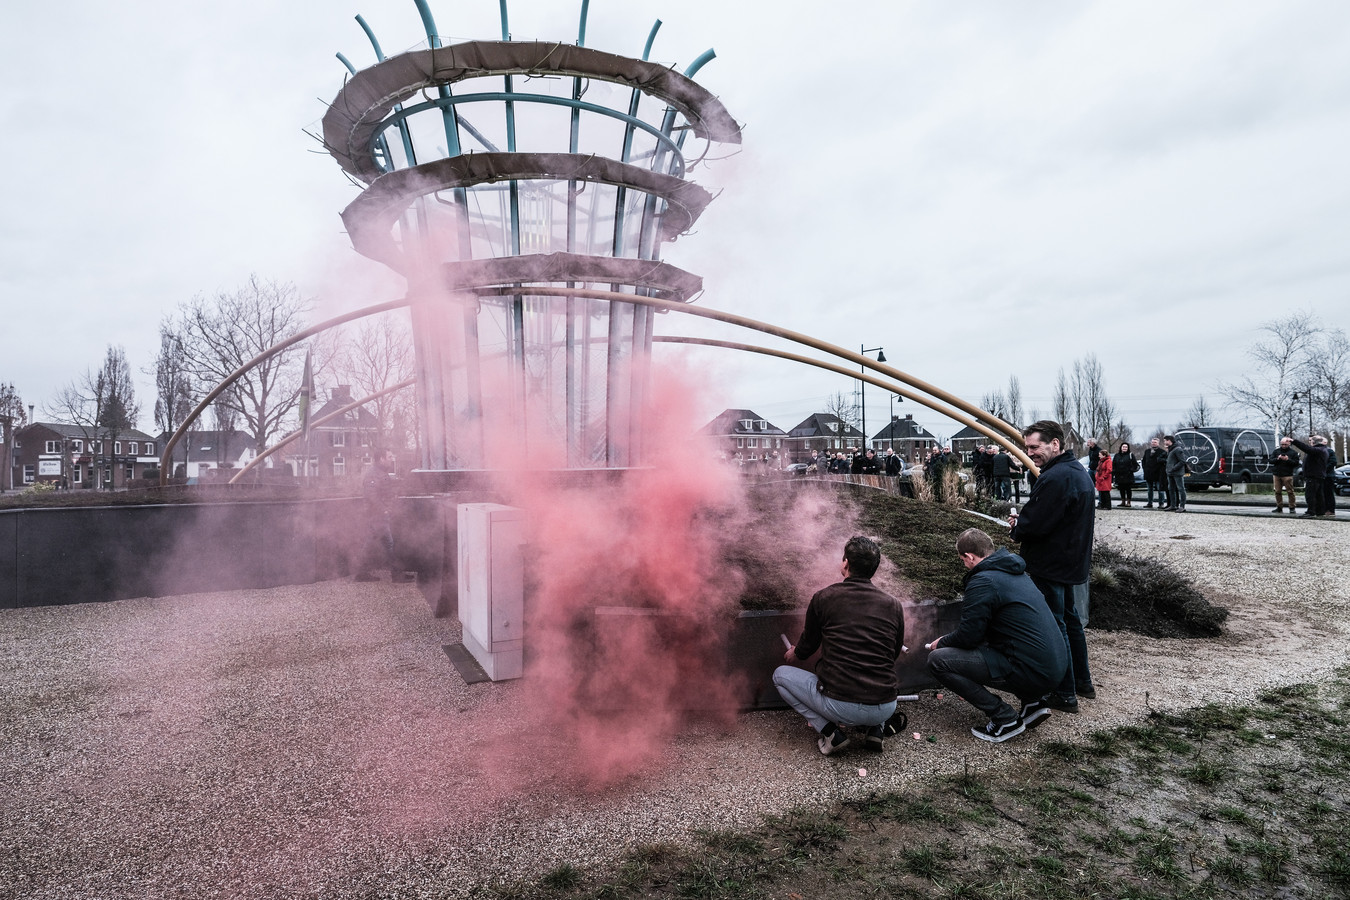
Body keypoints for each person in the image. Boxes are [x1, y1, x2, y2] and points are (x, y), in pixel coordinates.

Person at [926, 529, 1068, 742]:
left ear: (970, 557)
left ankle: (1004, 718)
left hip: (1032, 671)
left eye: (962, 560)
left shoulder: (983, 582)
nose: (964, 565)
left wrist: (941, 642)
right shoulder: (1016, 572)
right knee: (1006, 647)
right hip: (1054, 667)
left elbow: (968, 636)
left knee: (938, 661)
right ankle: (1033, 703)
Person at [774, 536, 905, 755]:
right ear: (874, 568)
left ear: (845, 563)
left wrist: (794, 653)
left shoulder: (824, 597)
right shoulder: (894, 605)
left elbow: (807, 647)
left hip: (841, 705)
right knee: (881, 674)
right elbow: (892, 653)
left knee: (780, 676)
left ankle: (830, 733)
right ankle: (876, 730)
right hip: (886, 706)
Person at [1008, 420, 1096, 714]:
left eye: (1034, 447)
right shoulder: (1076, 472)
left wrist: (1018, 526)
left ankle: (1065, 692)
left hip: (1050, 564)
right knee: (1071, 622)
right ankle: (1082, 681)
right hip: (1070, 562)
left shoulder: (1055, 477)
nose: (1030, 453)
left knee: (1056, 626)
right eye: (1027, 447)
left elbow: (1037, 522)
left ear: (1055, 444)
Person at [355, 448, 399, 582]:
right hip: (377, 515)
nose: (392, 459)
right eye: (389, 456)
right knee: (389, 544)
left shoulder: (380, 472)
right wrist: (384, 510)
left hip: (377, 514)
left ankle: (361, 574)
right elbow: (372, 495)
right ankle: (396, 575)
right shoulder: (373, 473)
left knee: (372, 543)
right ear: (381, 458)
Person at [1291, 435, 1331, 517]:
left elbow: (1306, 448)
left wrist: (1294, 441)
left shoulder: (1318, 450)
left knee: (1310, 494)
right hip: (1319, 475)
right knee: (1319, 495)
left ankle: (1311, 511)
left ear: (1313, 442)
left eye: (1311, 441)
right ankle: (1320, 511)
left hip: (1313, 475)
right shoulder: (1323, 450)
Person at [1269, 437, 1301, 514]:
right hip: (1277, 474)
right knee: (1277, 491)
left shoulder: (1293, 453)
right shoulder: (1276, 451)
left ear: (1289, 444)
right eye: (1282, 444)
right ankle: (1279, 506)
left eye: (1285, 444)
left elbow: (1296, 463)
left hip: (1287, 474)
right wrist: (1278, 458)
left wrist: (1288, 460)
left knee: (1290, 492)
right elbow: (1270, 460)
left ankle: (1292, 507)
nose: (1283, 446)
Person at [1163, 435, 1187, 513]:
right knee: (1171, 489)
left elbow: (1182, 461)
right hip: (1170, 473)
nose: (1164, 442)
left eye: (1165, 441)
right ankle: (1173, 506)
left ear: (1169, 441)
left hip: (1177, 473)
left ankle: (1182, 506)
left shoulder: (1177, 449)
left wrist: (1174, 468)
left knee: (1181, 489)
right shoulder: (1171, 449)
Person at [1142, 438, 1167, 509]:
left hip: (1158, 474)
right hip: (1148, 474)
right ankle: (1150, 503)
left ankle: (1161, 503)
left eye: (1155, 442)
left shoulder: (1162, 452)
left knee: (1160, 490)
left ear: (1158, 443)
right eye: (1152, 442)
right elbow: (1144, 461)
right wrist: (1145, 468)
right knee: (1149, 490)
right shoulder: (1147, 451)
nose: (1153, 443)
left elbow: (1164, 462)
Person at [1113, 442, 1137, 508]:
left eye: (1126, 447)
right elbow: (1114, 464)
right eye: (1123, 447)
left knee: (1128, 489)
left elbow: (1135, 465)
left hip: (1128, 475)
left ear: (1128, 448)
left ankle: (1128, 502)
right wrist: (1114, 471)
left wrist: (1131, 470)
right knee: (1121, 489)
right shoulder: (1117, 455)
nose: (1124, 448)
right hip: (1119, 475)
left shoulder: (1130, 455)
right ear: (1121, 447)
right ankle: (1123, 501)